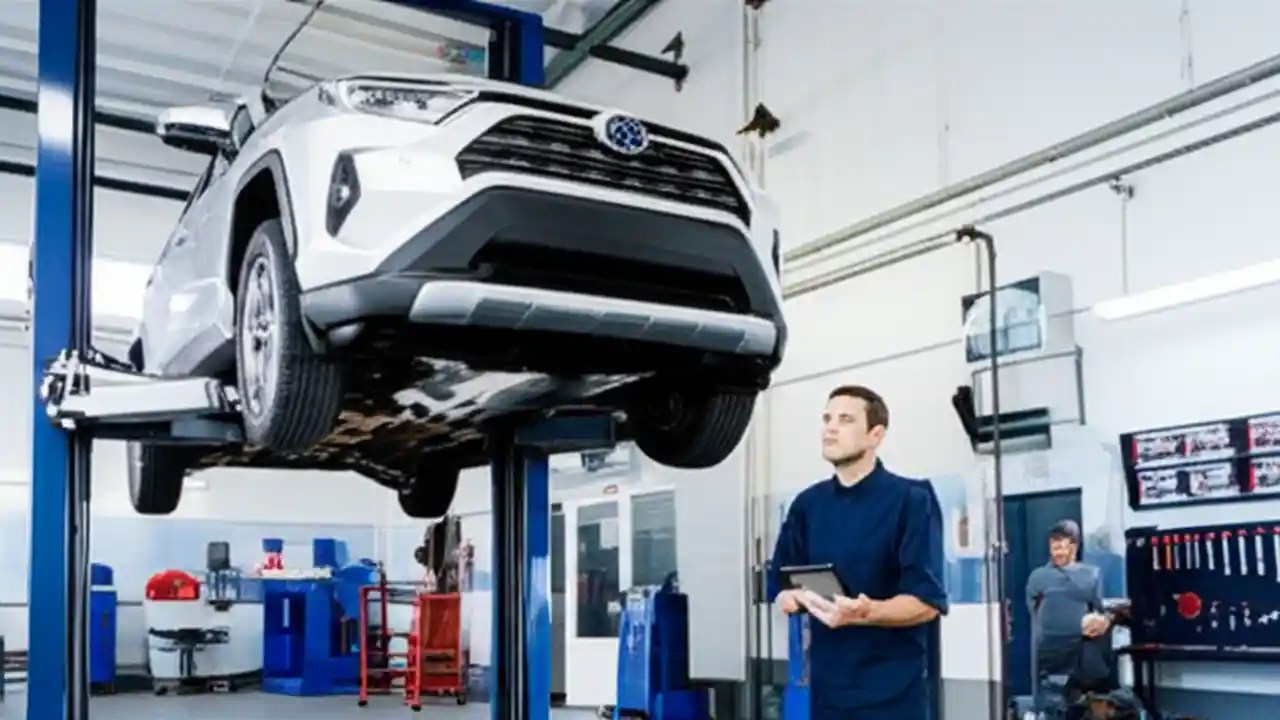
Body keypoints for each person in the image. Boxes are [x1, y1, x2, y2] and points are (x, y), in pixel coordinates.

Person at [769, 385, 948, 720]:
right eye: (826, 418)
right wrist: (794, 599)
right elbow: (781, 583)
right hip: (828, 693)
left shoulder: (911, 500)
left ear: (875, 434)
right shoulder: (807, 505)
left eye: (845, 419)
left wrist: (867, 612)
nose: (830, 427)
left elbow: (926, 603)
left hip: (893, 695)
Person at [1026, 520, 1113, 711]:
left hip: (1082, 660)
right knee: (1053, 708)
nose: (1056, 551)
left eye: (1061, 545)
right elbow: (1036, 615)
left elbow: (1100, 613)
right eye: (1053, 546)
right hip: (1051, 658)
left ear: (1074, 545)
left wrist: (1103, 621)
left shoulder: (1090, 575)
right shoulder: (1038, 577)